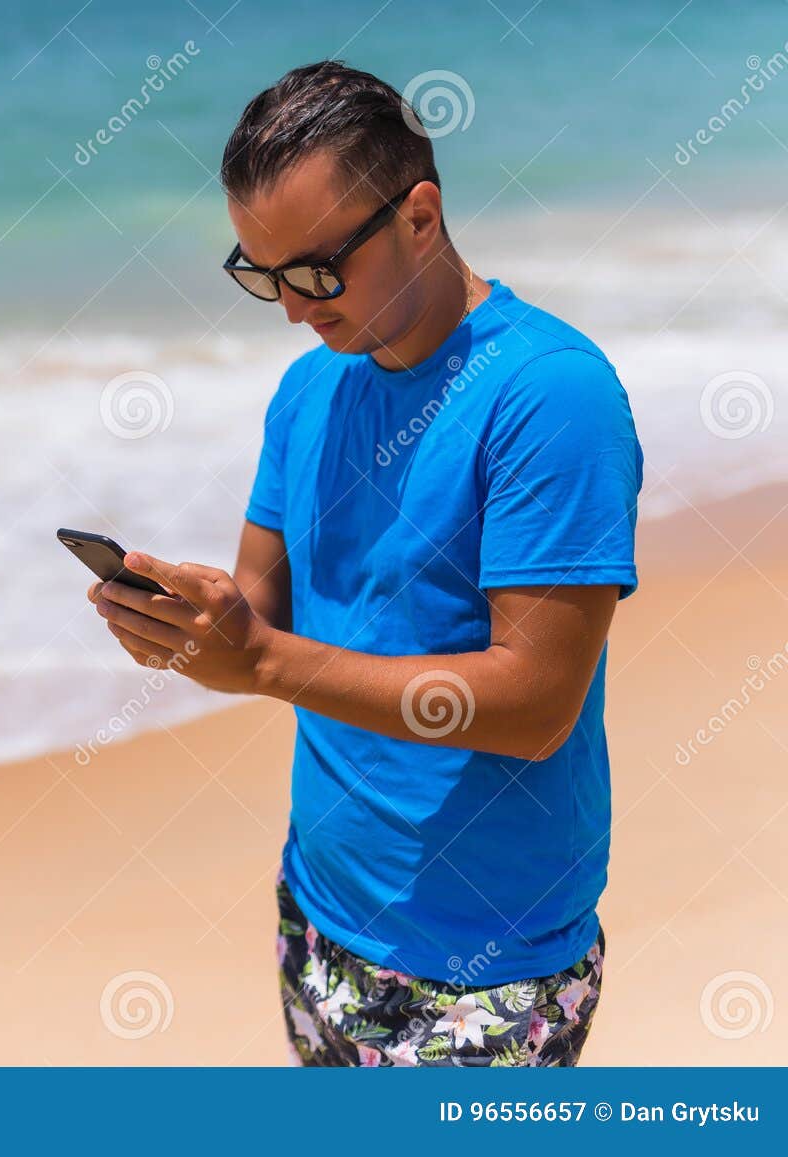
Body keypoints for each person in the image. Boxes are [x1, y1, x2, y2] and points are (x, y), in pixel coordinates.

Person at [86, 60, 641, 1066]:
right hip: (319, 908)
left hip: (488, 960)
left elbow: (535, 699)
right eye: (261, 276)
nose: (294, 308)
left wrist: (254, 660)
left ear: (418, 216)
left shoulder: (548, 396)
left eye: (314, 271)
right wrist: (188, 622)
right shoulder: (309, 392)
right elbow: (264, 612)